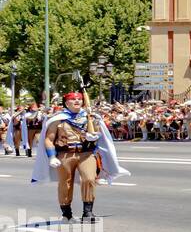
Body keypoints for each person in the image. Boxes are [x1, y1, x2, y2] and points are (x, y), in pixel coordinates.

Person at [30, 91, 130, 221]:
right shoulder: (58, 119)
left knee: (89, 179)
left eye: (79, 99)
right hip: (65, 154)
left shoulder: (91, 117)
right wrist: (51, 156)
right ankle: (66, 213)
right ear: (66, 103)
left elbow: (101, 135)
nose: (77, 101)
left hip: (86, 153)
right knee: (65, 183)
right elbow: (49, 139)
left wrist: (94, 136)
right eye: (73, 99)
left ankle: (87, 212)